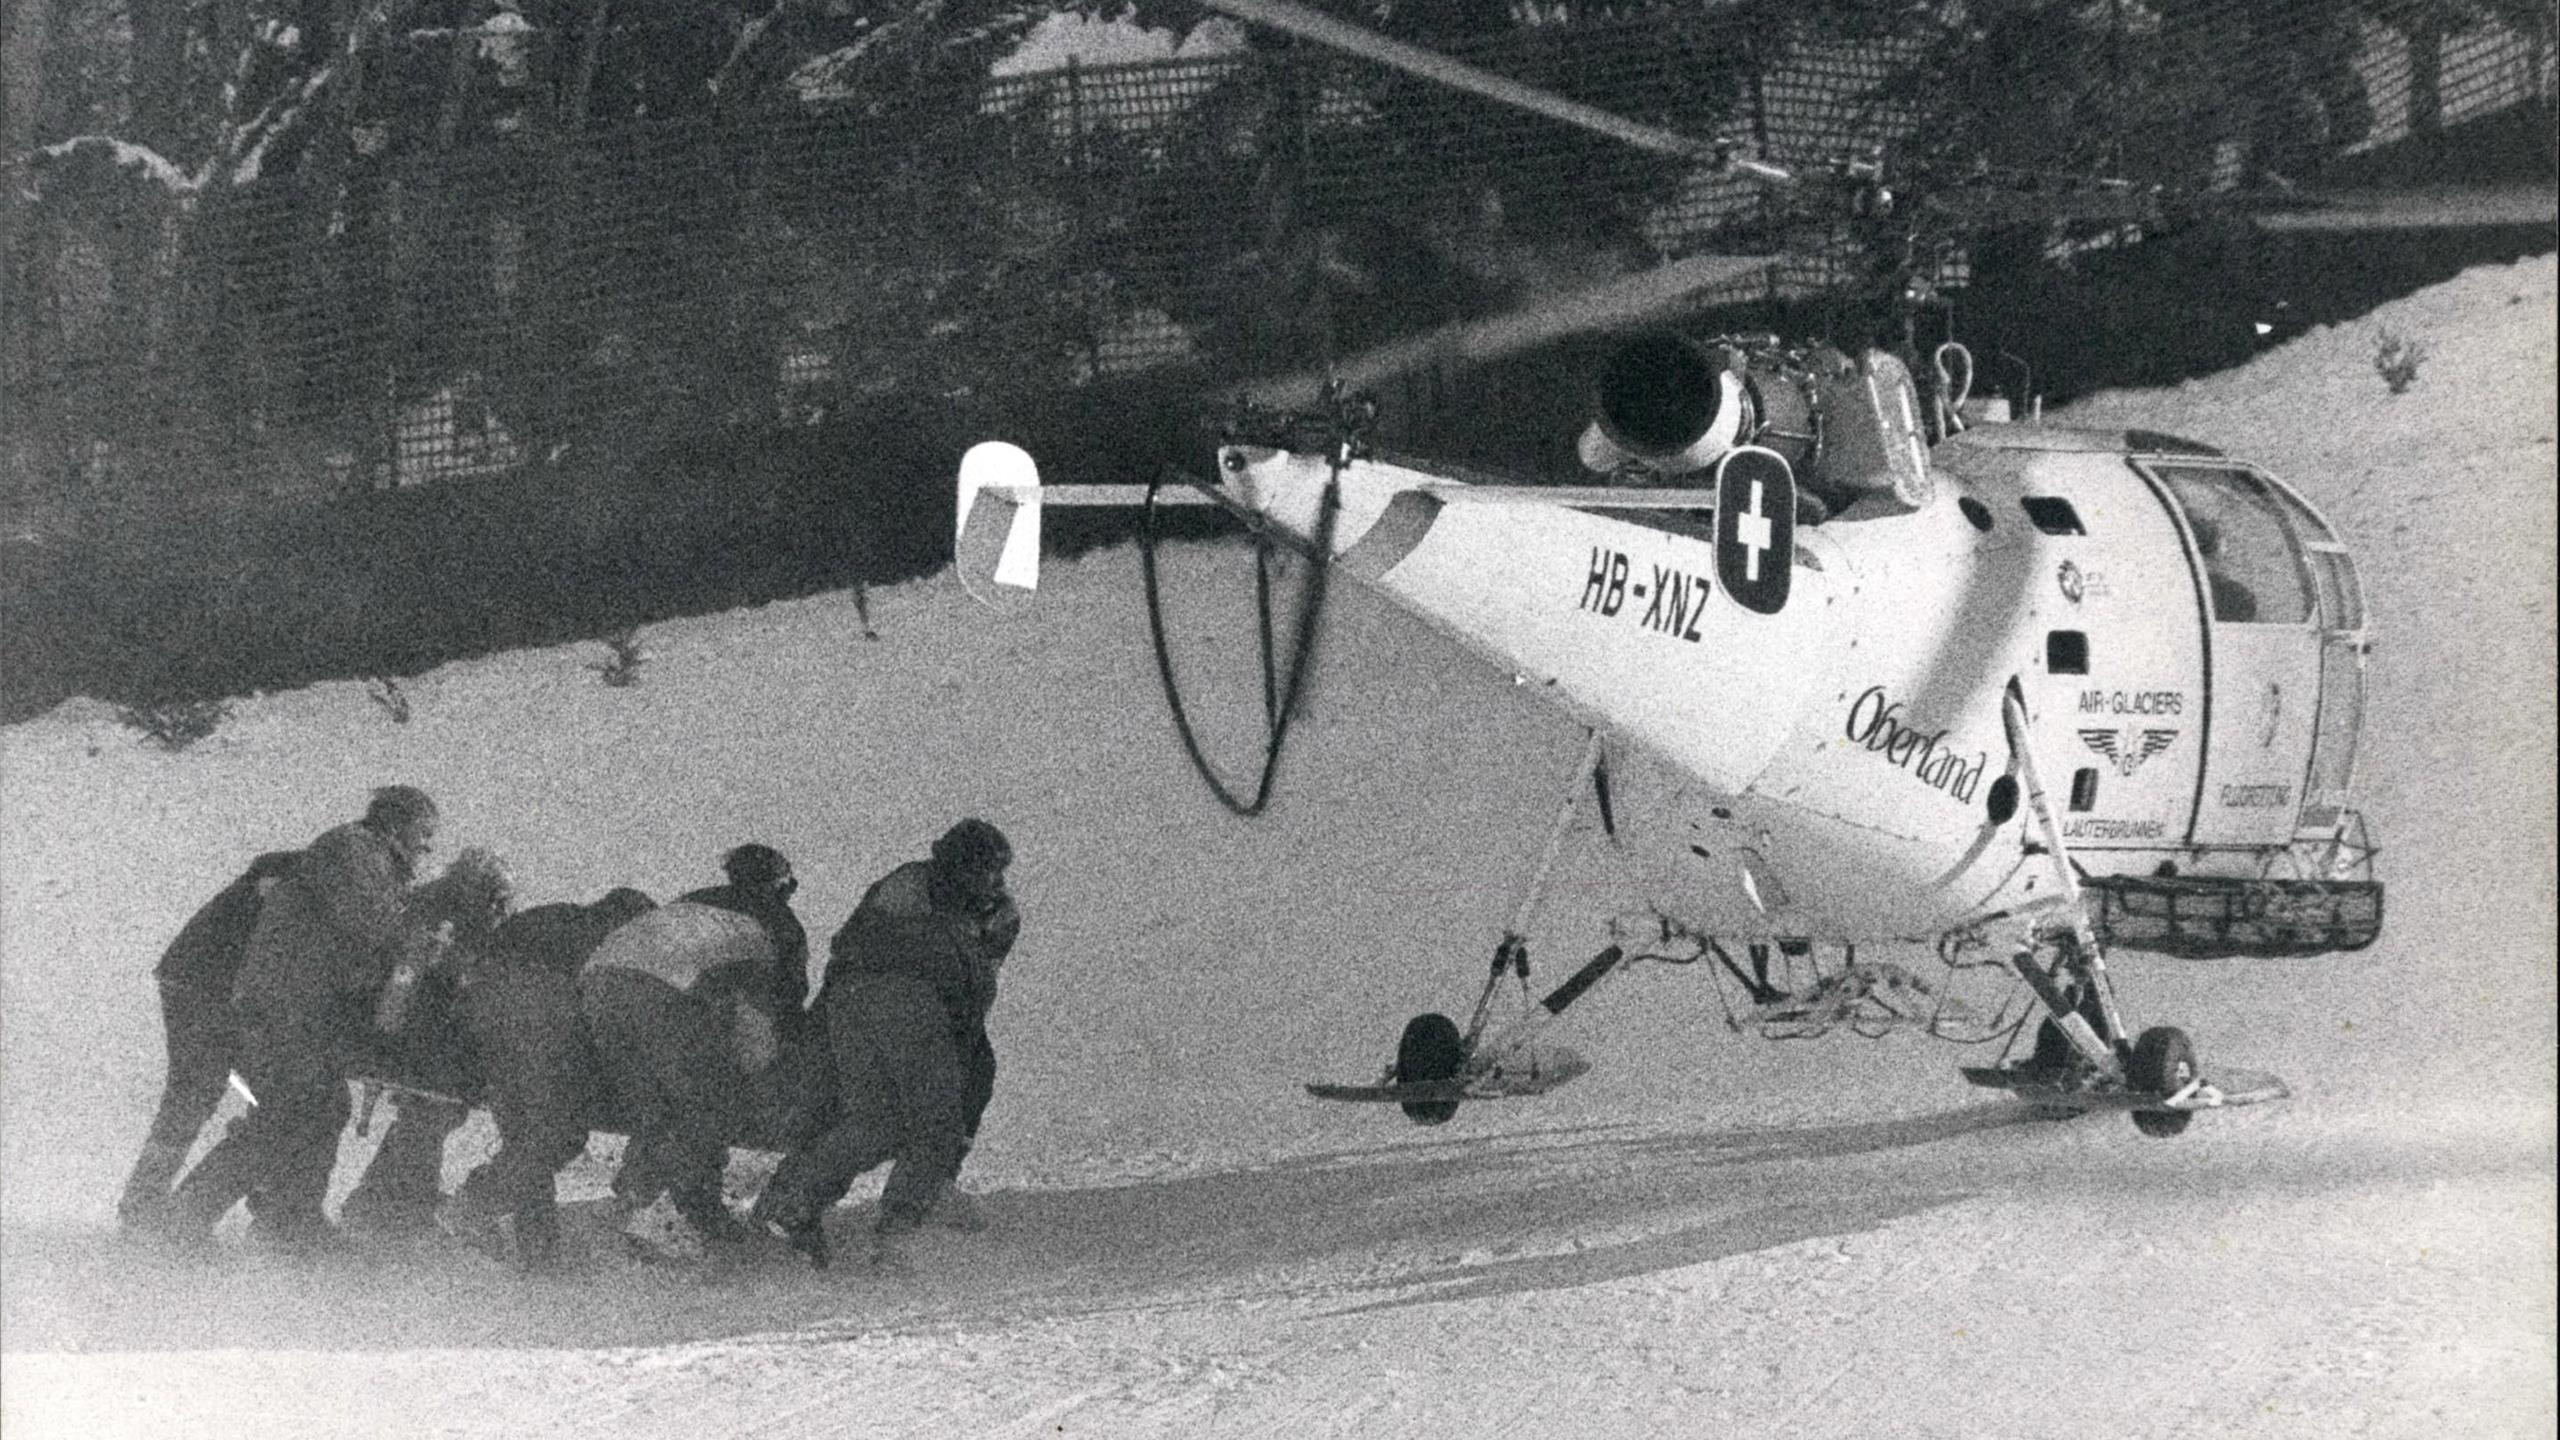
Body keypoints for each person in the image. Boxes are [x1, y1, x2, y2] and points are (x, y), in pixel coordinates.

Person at [160, 785, 443, 1255]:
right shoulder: (355, 851)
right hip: (282, 1005)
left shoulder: (371, 860)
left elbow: (357, 949)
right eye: (423, 833)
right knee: (290, 1111)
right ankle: (194, 1214)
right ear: (395, 825)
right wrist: (419, 941)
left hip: (300, 1006)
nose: (428, 846)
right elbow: (368, 925)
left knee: (320, 1107)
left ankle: (291, 1220)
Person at [753, 818, 1020, 1271]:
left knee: (873, 1123)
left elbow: (855, 945)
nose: (990, 879)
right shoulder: (957, 901)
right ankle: (898, 1235)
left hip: (851, 1002)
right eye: (986, 869)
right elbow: (967, 981)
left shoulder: (908, 883)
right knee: (935, 1125)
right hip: (909, 1001)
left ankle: (786, 1207)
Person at [442, 887, 657, 1271]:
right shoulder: (603, 943)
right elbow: (596, 1017)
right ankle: (473, 1205)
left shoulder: (547, 917)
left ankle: (539, 1255)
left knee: (527, 1144)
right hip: (532, 1036)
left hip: (477, 1034)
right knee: (558, 1136)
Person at [577, 892, 789, 1250]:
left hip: (597, 981)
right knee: (709, 1104)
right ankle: (685, 1215)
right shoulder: (759, 945)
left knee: (654, 1109)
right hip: (661, 984)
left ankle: (631, 1201)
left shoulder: (695, 921)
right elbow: (756, 1039)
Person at [115, 849, 303, 1234]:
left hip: (192, 986)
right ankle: (147, 1204)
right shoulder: (268, 896)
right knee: (195, 1097)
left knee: (191, 1097)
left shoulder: (249, 892)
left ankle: (144, 1202)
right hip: (206, 992)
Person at [677, 844, 812, 1032]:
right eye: (786, 879)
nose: (792, 888)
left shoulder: (694, 903)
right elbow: (793, 987)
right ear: (774, 880)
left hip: (685, 1016)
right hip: (750, 1025)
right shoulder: (779, 918)